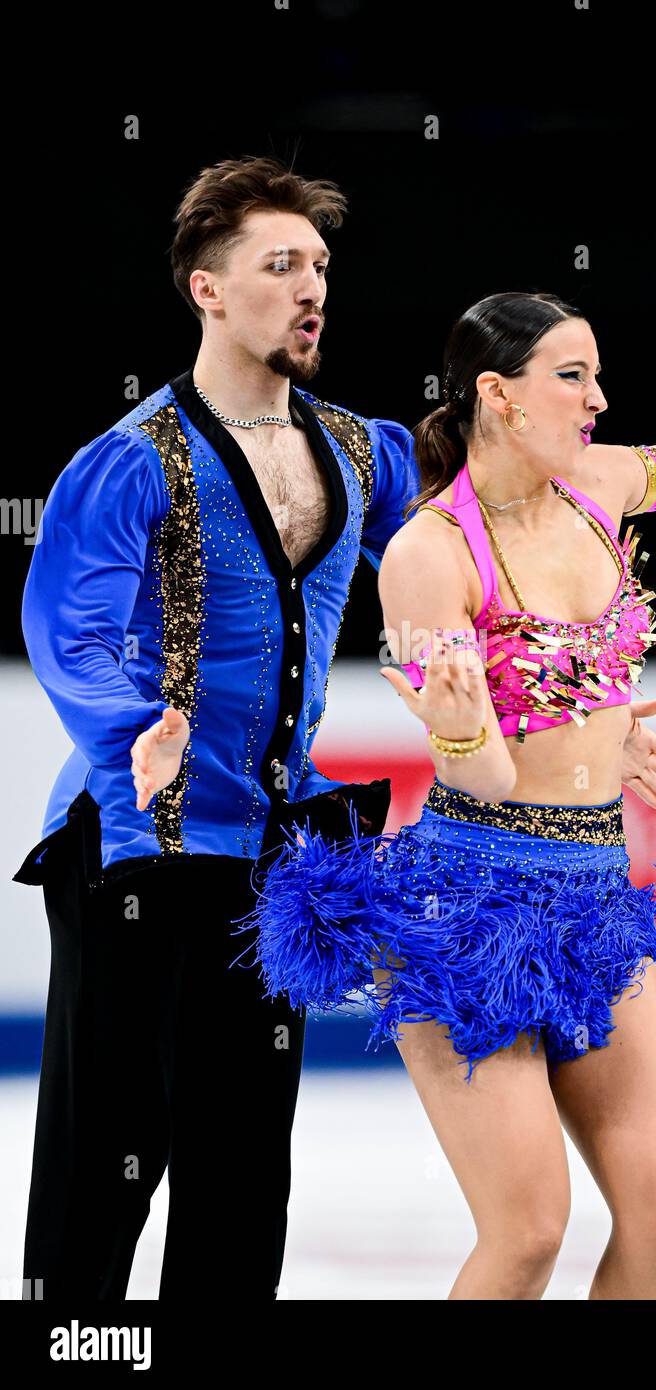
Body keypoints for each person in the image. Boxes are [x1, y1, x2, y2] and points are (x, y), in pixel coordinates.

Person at [234, 290, 656, 1300]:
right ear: (498, 395)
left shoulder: (599, 485)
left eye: (596, 374)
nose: (597, 399)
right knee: (527, 1230)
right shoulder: (433, 553)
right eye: (571, 376)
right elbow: (484, 774)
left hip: (593, 896)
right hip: (466, 904)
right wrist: (465, 725)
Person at [12, 155, 420, 1300]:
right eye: (279, 265)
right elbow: (68, 628)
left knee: (245, 1179)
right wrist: (129, 729)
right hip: (138, 844)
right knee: (103, 1167)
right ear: (206, 289)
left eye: (320, 266)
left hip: (275, 863)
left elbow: (466, 558)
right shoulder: (132, 461)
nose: (310, 289)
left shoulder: (359, 452)